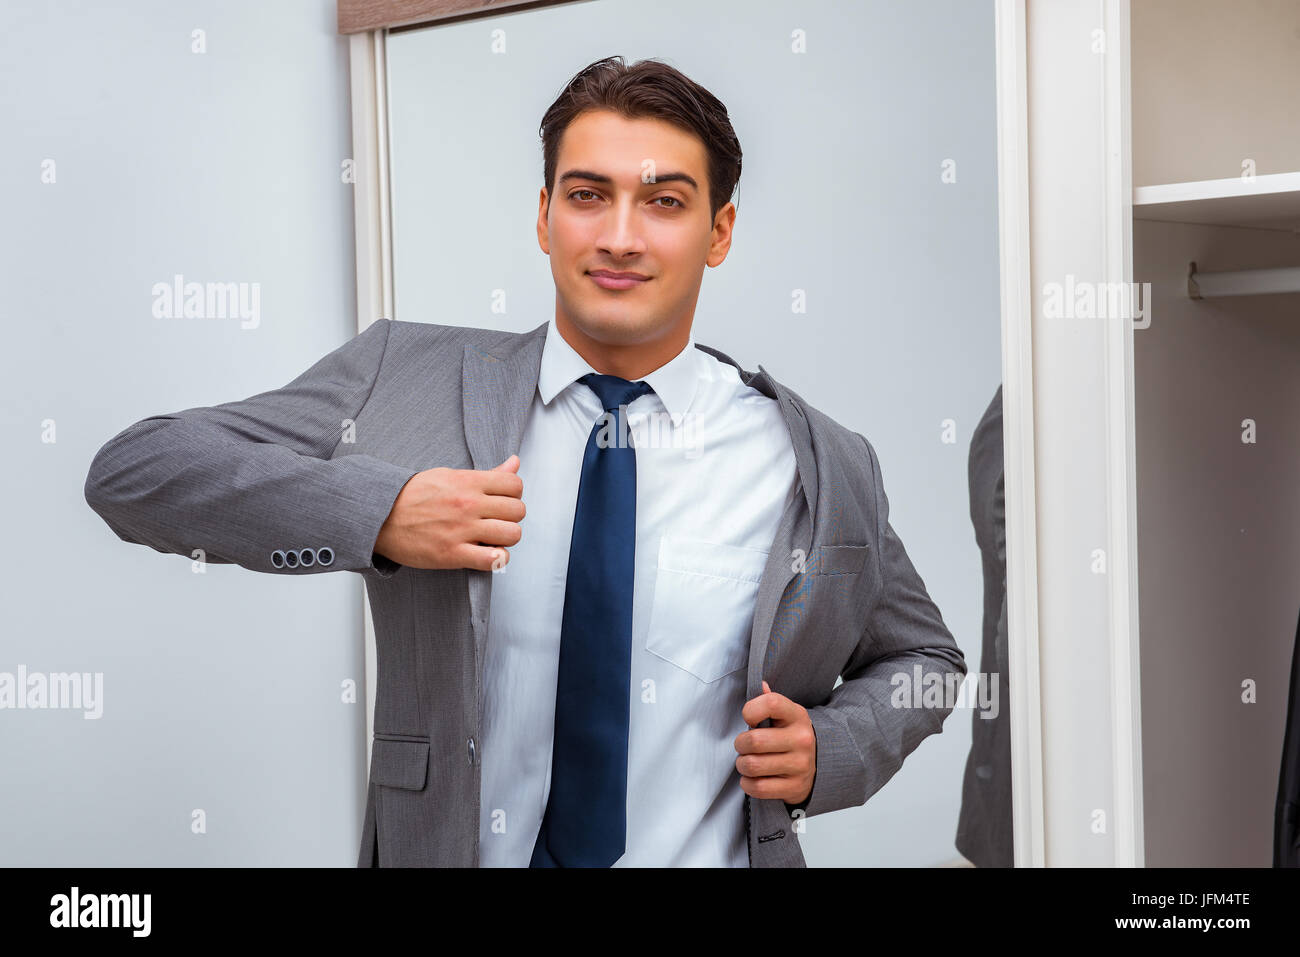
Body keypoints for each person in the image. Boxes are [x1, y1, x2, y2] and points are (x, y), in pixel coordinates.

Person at [84, 55, 966, 867]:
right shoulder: (405, 376)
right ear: (544, 216)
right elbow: (138, 471)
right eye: (588, 195)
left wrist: (832, 748)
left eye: (664, 202)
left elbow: (924, 657)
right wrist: (380, 513)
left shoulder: (816, 459)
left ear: (719, 230)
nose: (620, 237)